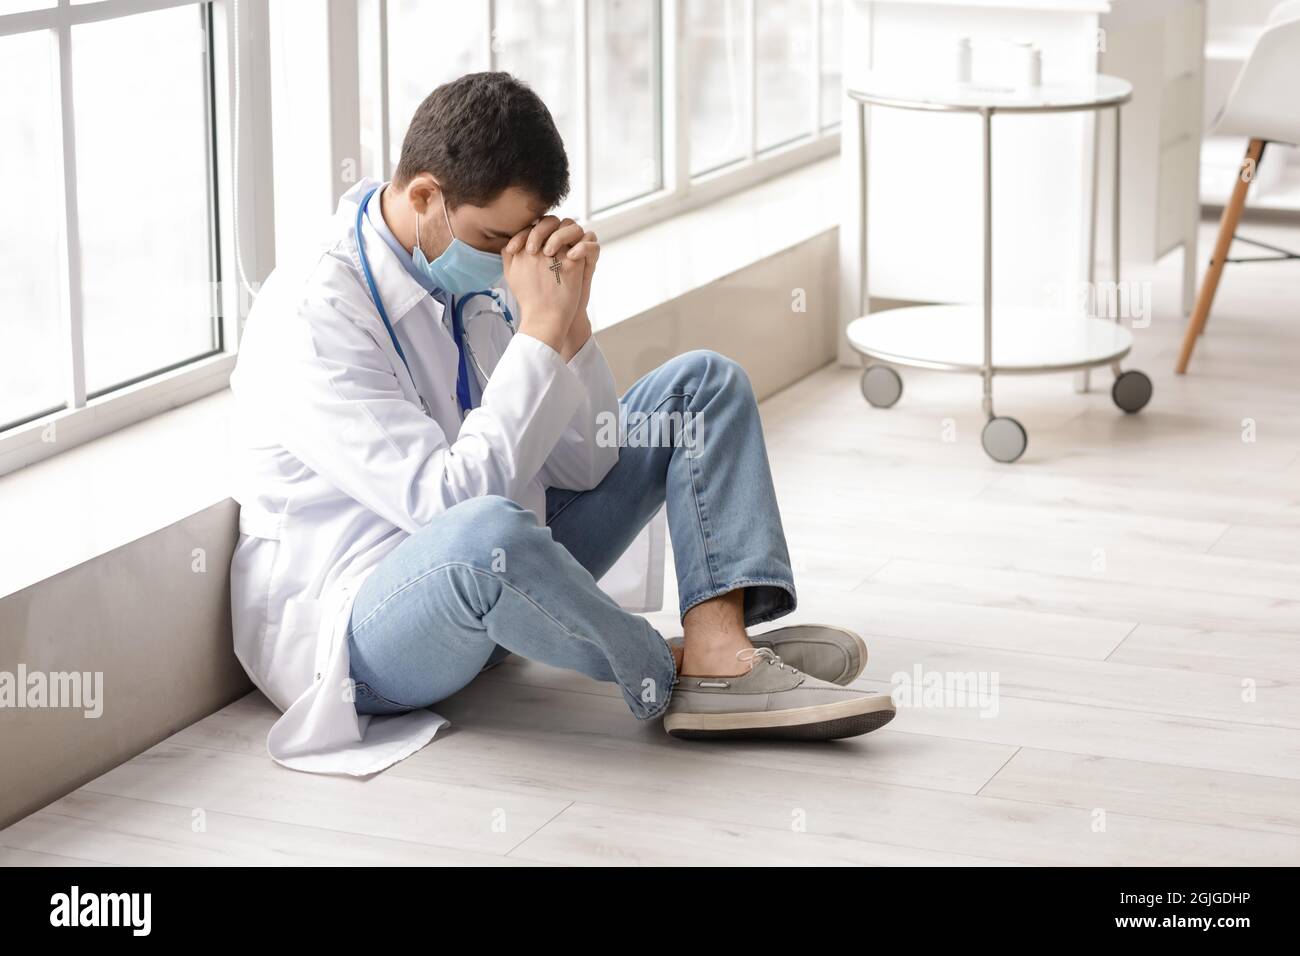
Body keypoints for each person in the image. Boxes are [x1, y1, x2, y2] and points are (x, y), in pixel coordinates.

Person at [229, 72, 894, 776]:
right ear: (426, 198)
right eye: (494, 238)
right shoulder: (313, 314)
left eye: (527, 236)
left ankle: (717, 641)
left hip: (496, 583)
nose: (512, 259)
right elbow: (448, 509)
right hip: (361, 634)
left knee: (703, 386)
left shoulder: (475, 275)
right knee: (486, 531)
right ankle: (672, 668)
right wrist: (537, 336)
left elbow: (587, 464)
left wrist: (569, 329)